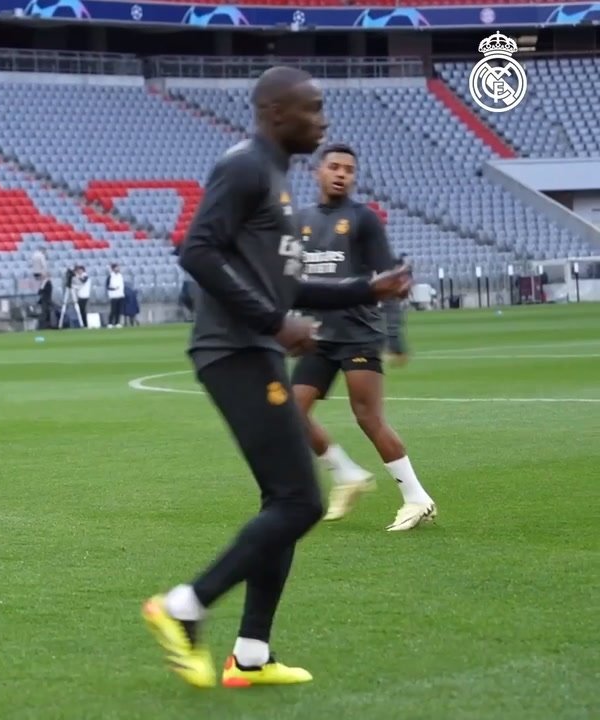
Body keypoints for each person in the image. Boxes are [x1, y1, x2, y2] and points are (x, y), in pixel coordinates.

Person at [140, 67, 413, 690]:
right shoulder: (244, 168)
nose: (323, 121)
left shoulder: (276, 181)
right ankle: (185, 607)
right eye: (313, 109)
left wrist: (367, 287)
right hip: (233, 349)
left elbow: (289, 285)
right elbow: (196, 251)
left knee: (284, 501)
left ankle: (252, 657)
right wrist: (273, 321)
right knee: (300, 501)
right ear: (274, 112)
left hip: (255, 346)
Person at [292, 143, 437, 532]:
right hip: (320, 336)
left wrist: (395, 336)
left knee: (368, 418)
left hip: (358, 334)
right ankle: (347, 474)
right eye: (334, 167)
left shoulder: (364, 220)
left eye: (349, 169)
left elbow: (391, 280)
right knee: (290, 411)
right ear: (317, 172)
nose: (342, 174)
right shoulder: (301, 220)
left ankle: (417, 498)